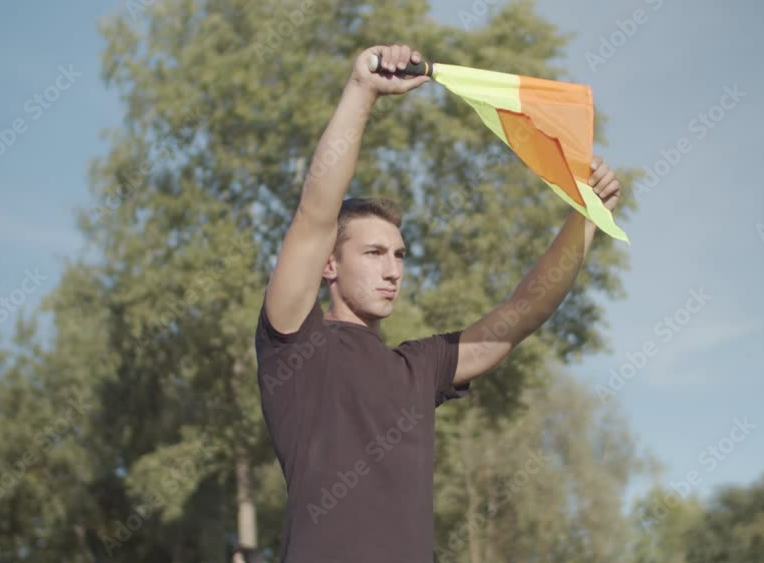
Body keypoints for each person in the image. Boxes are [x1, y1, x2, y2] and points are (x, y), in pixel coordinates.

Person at [254, 44, 622, 563]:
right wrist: (363, 91)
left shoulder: (419, 367)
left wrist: (586, 217)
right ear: (329, 267)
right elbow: (315, 214)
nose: (393, 268)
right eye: (375, 252)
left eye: (400, 254)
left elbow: (520, 314)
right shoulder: (296, 343)